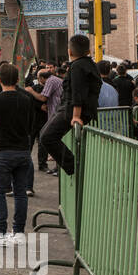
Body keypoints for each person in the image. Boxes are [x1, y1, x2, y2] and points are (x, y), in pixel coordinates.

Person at [0, 63, 35, 245]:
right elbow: (32, 125)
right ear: (17, 80)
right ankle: (18, 232)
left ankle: (0, 231)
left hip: (4, 151)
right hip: (23, 151)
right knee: (20, 192)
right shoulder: (26, 99)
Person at [39, 34, 101, 177]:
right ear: (88, 51)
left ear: (70, 51)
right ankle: (72, 166)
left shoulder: (77, 66)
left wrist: (75, 116)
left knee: (47, 138)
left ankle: (74, 167)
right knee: (44, 133)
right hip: (69, 107)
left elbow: (78, 92)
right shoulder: (89, 64)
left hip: (72, 110)